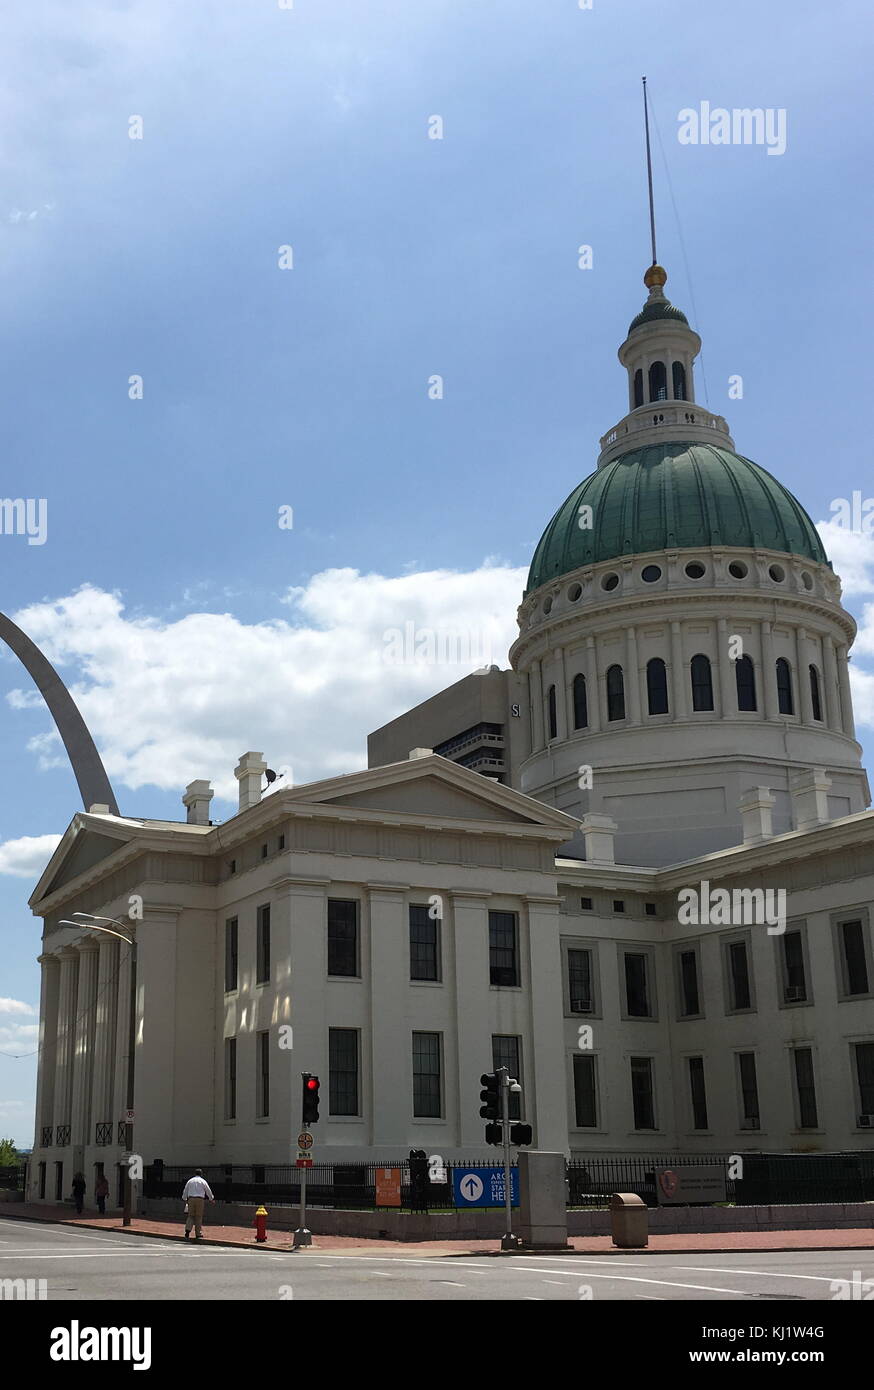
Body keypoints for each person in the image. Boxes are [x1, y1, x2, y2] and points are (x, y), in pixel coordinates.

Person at [182, 1168, 214, 1240]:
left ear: (195, 1173)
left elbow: (185, 1190)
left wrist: (184, 1198)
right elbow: (208, 1190)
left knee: (190, 1216)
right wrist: (211, 1198)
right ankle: (198, 1233)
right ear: (201, 1174)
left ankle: (187, 1231)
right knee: (198, 1216)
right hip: (200, 1199)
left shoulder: (190, 1181)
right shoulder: (203, 1181)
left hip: (191, 1199)